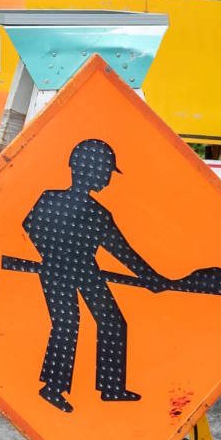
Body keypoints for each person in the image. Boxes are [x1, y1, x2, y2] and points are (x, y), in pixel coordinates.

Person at [12, 139, 170, 414]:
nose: (107, 177)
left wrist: (150, 278)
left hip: (84, 269)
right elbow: (28, 225)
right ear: (91, 170)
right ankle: (53, 387)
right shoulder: (54, 200)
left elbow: (123, 252)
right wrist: (54, 254)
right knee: (68, 322)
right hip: (59, 269)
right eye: (106, 171)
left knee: (112, 322)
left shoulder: (96, 213)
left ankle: (111, 388)